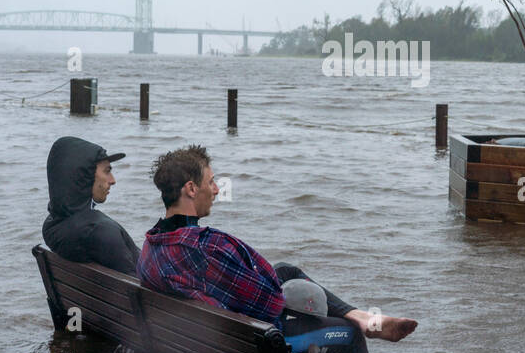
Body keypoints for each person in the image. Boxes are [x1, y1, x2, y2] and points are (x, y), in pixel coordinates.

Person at [136, 144, 417, 342]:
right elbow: (270, 306)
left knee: (286, 270)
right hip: (248, 344)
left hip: (193, 343)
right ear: (191, 188)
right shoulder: (208, 246)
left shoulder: (151, 245)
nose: (217, 189)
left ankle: (364, 317)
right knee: (344, 328)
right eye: (211, 182)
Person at [42, 136, 139, 274]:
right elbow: (134, 286)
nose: (113, 180)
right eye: (107, 171)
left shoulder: (53, 226)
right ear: (83, 176)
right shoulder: (101, 232)